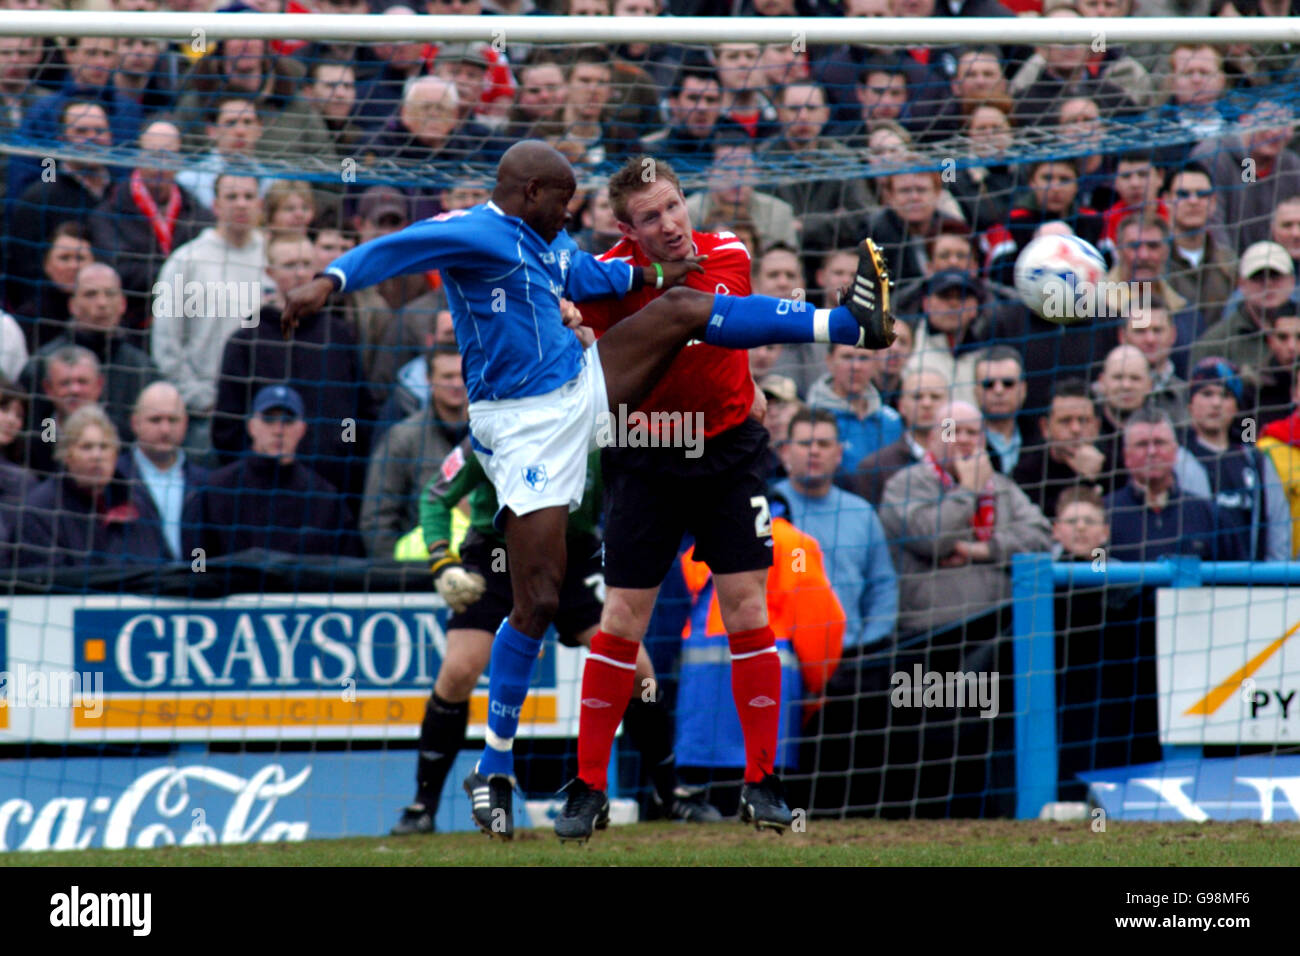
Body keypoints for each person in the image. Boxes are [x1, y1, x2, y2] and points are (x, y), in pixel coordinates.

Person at [281, 140, 894, 841]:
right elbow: (396, 248)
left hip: (587, 400)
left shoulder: (560, 247)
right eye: (565, 201)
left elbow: (596, 282)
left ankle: (845, 323)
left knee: (684, 308)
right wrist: (326, 281)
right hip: (522, 430)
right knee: (537, 600)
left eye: (669, 207)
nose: (572, 214)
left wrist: (662, 271)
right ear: (533, 193)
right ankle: (498, 769)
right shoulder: (475, 230)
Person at [390, 436, 689, 835]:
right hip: (497, 556)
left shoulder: (598, 436)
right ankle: (422, 806)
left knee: (639, 673)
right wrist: (442, 561)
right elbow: (436, 495)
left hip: (574, 556)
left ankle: (670, 795)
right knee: (460, 670)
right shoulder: (494, 431)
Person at [674, 494, 845, 819]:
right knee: (764, 802)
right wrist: (817, 682)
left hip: (701, 703)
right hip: (770, 696)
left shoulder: (705, 540)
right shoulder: (792, 542)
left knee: (706, 820)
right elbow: (820, 621)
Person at [210, 233, 377, 502]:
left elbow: (359, 411)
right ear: (270, 272)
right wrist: (253, 469)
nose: (299, 274)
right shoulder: (245, 342)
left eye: (305, 264)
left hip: (333, 488)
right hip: (261, 492)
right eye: (289, 265)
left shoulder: (339, 335)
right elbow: (228, 425)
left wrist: (346, 449)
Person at [879, 400, 1052, 637]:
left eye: (972, 433)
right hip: (932, 630)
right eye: (952, 431)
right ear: (931, 439)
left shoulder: (1003, 487)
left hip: (1004, 623)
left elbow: (1041, 538)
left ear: (983, 442)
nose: (963, 439)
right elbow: (933, 539)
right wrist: (969, 489)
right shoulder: (906, 484)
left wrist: (981, 550)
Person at [151, 173, 266, 460]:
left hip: (268, 414)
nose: (241, 204)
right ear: (215, 205)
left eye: (248, 197)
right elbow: (166, 342)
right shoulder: (186, 261)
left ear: (260, 204)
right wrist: (198, 398)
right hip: (206, 415)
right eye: (231, 197)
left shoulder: (272, 258)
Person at [772, 407, 899, 649]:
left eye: (824, 444)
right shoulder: (768, 511)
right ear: (785, 452)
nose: (814, 451)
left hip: (851, 657)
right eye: (805, 443)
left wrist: (869, 643)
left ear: (839, 453)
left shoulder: (861, 513)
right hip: (786, 658)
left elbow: (882, 585)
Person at [198, 385, 363, 560]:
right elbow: (197, 564)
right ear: (251, 426)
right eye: (269, 419)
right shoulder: (217, 491)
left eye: (288, 421)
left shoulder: (325, 499)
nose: (279, 430)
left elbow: (346, 566)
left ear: (302, 429)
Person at [88, 120, 213, 333]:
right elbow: (120, 272)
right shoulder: (108, 213)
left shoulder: (200, 215)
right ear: (138, 156)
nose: (160, 165)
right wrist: (180, 277)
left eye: (169, 156)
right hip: (131, 329)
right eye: (153, 155)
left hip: (187, 325)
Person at [360, 344, 469, 559]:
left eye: (462, 375)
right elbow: (377, 519)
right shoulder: (402, 438)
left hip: (484, 569)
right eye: (447, 377)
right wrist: (399, 577)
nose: (457, 384)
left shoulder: (492, 438)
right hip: (420, 573)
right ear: (428, 379)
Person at [1182, 357, 1291, 561]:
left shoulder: (1256, 461)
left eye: (1225, 396)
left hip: (1249, 585)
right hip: (1198, 583)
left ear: (1237, 407)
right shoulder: (1177, 459)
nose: (1216, 403)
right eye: (1207, 394)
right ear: (1190, 404)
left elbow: (1278, 527)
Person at [1104, 406, 1232, 562]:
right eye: (1142, 444)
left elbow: (1236, 577)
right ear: (1126, 455)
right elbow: (1095, 572)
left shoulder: (1208, 513)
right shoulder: (1105, 513)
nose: (1152, 452)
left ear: (1175, 451)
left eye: (1159, 443)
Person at [116, 381, 207, 564]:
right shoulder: (115, 478)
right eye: (155, 420)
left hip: (192, 585)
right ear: (135, 423)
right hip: (134, 587)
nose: (165, 429)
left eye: (172, 420)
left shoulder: (205, 482)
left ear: (185, 423)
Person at [1013, 377, 1116, 519]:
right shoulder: (1026, 474)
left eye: (1083, 420)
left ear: (1097, 426)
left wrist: (1099, 474)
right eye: (1065, 421)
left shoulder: (1115, 467)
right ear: (1045, 427)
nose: (1076, 429)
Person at [851, 366, 949, 506]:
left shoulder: (966, 457)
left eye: (935, 397)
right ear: (901, 406)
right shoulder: (875, 468)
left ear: (950, 403)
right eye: (917, 397)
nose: (927, 404)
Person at [807, 343, 903, 477]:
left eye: (864, 358)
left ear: (876, 363)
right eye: (847, 357)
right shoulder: (810, 419)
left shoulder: (892, 421)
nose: (856, 366)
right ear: (829, 361)